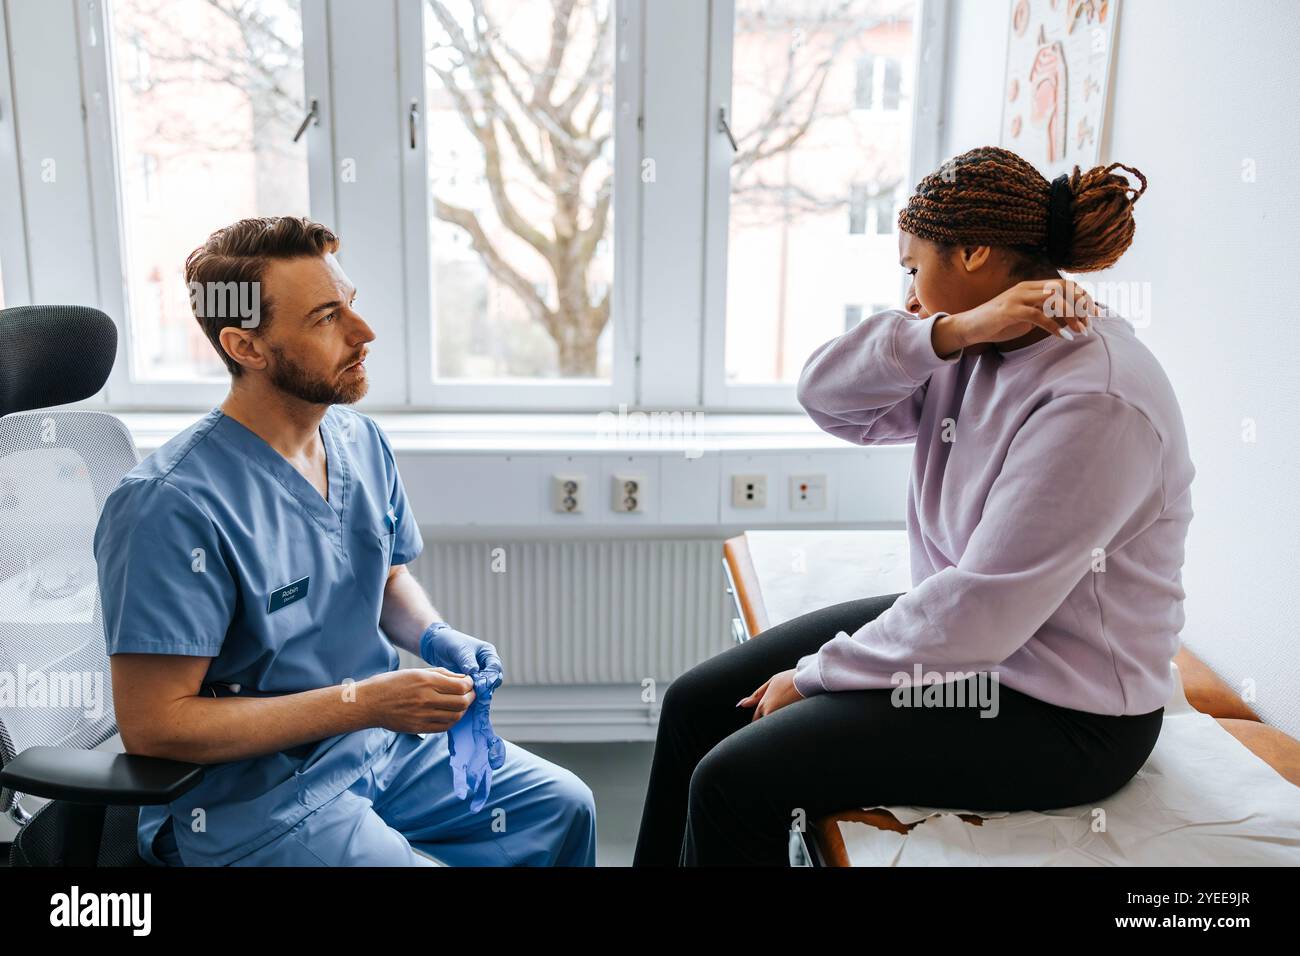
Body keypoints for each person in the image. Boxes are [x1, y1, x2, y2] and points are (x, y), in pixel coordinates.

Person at [634, 145, 1194, 867]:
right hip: (982, 648)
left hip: (1067, 712)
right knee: (693, 706)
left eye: (914, 266)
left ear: (975, 254)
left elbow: (983, 609)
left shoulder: (1095, 400)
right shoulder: (969, 344)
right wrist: (948, 332)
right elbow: (826, 398)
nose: (909, 294)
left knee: (733, 781)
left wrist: (813, 676)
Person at [95, 216, 596, 866]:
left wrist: (435, 636)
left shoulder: (358, 442)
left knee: (563, 808)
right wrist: (364, 702)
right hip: (249, 795)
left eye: (351, 304)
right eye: (327, 318)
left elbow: (382, 575)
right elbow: (157, 726)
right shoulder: (169, 505)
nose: (364, 334)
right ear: (246, 346)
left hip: (379, 745)